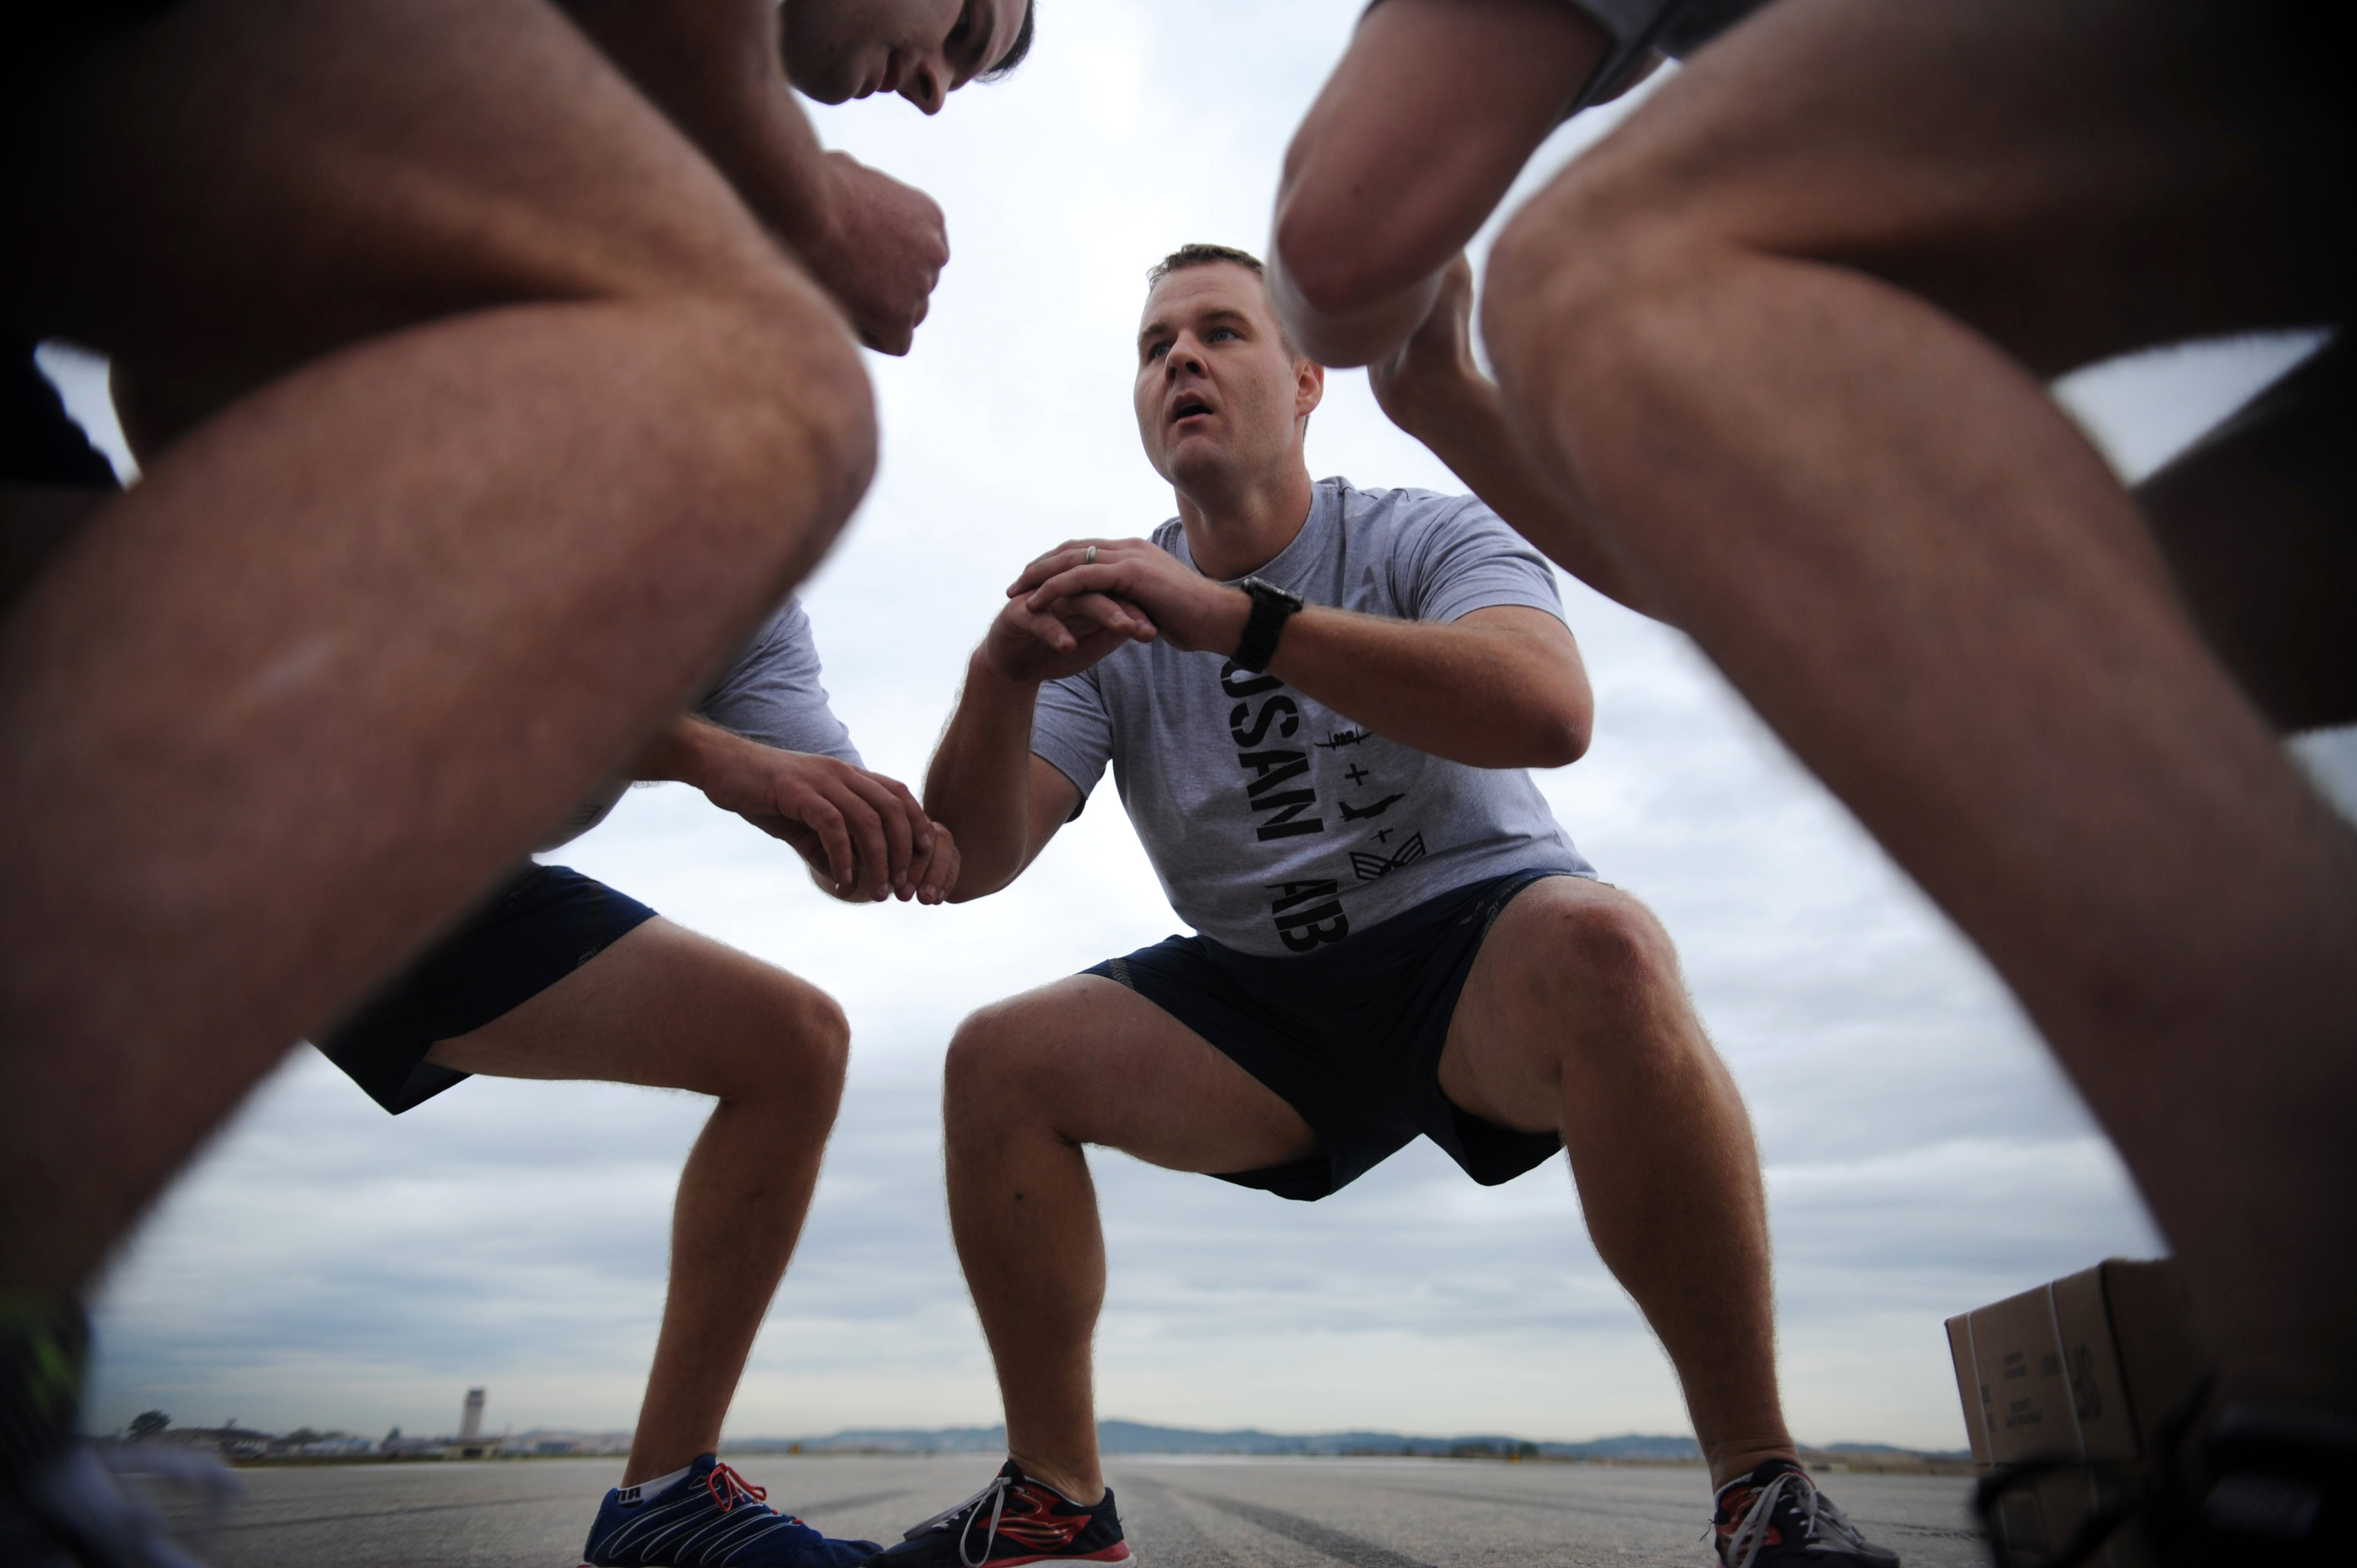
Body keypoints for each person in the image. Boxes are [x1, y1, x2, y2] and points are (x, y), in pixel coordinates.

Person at [1265, 1, 2354, 1561]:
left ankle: (2316, 1382)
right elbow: (1755, 542)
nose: (937, 81)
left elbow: (1344, 233)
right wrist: (1445, 396)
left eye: (980, 31)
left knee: (1616, 276)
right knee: (2070, 648)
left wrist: (1369, 327)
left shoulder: (1403, 541)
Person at [0, 1, 1030, 1560]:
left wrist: (959, 733)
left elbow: (860, 818)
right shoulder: (539, 324)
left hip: (411, 855)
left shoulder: (740, 584)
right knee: (790, 389)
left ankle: (664, 1502)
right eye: (963, 21)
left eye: (976, 69)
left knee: (793, 1043)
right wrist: (806, 213)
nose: (940, 88)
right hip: (297, 758)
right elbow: (252, 517)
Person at [881, 244, 1897, 1568]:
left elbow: (1549, 711)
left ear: (1307, 381)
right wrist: (1001, 677)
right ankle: (1057, 1503)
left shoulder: (1423, 534)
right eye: (1153, 346)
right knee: (996, 1060)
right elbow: (966, 858)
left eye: (1220, 332)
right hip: (1261, 997)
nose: (1180, 358)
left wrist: (1236, 622)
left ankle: (1761, 1483)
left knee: (1607, 942)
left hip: (1470, 953)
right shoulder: (1111, 616)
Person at [308, 599, 958, 1568]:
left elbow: (820, 801)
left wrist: (867, 837)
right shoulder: (537, 513)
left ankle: (664, 1502)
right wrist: (720, 758)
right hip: (278, 797)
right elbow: (442, 675)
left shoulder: (761, 622)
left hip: (433, 871)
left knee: (792, 1044)